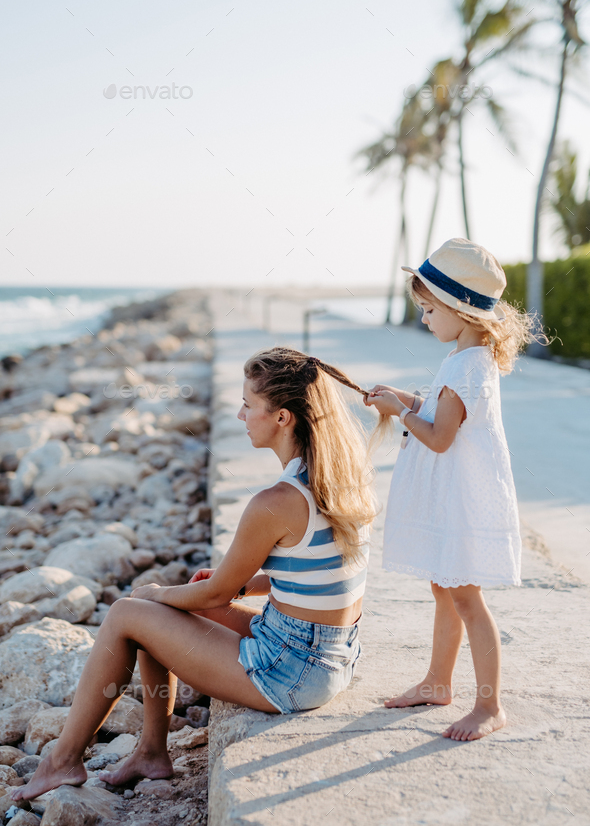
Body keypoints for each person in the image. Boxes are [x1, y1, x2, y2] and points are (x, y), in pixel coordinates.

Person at [12, 347, 376, 801]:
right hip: (331, 653)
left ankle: (62, 760)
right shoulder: (338, 477)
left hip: (293, 668)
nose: (240, 414)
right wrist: (243, 584)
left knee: (130, 611)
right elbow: (324, 574)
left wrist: (163, 592)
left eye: (249, 404)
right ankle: (150, 751)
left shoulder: (275, 502)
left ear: (282, 417)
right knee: (153, 610)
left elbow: (213, 596)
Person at [364, 237, 542, 742]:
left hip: (461, 500)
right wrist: (404, 397)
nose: (423, 319)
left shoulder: (468, 365)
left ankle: (489, 706)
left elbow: (440, 437)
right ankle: (438, 682)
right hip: (455, 495)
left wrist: (400, 412)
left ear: (458, 310)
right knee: (445, 587)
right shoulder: (467, 358)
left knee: (465, 597)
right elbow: (445, 413)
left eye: (427, 309)